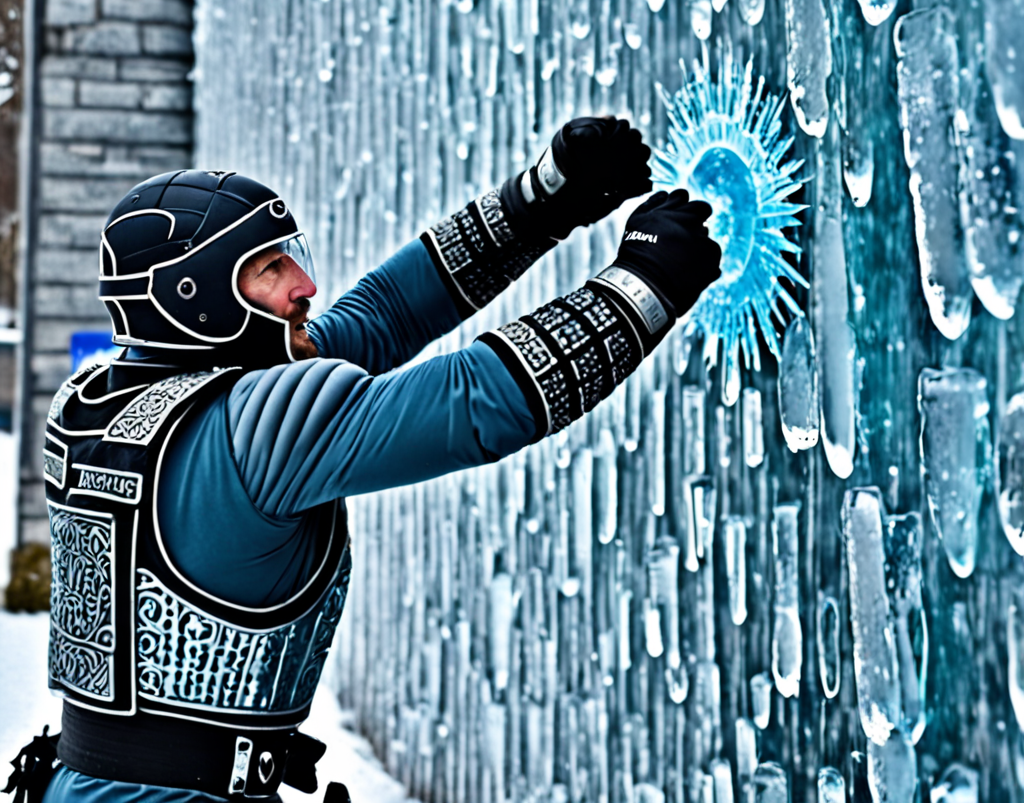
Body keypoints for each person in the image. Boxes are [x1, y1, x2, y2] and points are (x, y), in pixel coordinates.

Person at [18, 117, 720, 802]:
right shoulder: (256, 430)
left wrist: (542, 198)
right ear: (195, 301)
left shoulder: (91, 404)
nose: (304, 284)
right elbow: (478, 402)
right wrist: (647, 280)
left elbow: (384, 314)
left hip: (79, 783)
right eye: (269, 268)